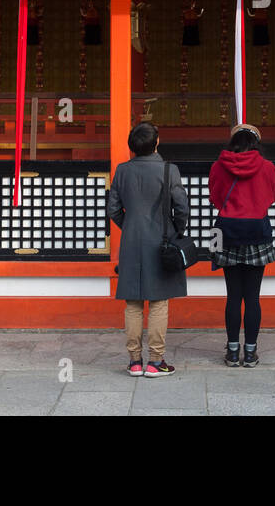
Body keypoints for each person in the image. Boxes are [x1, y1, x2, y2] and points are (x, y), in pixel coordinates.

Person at [106, 122, 188, 378]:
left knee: (132, 303)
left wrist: (129, 225)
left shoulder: (121, 171)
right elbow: (181, 208)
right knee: (159, 301)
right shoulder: (168, 170)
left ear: (133, 145)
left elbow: (113, 209)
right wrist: (175, 230)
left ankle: (134, 361)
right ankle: (155, 360)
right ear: (157, 142)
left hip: (131, 241)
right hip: (161, 240)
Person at [208, 123, 275, 367]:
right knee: (252, 297)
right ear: (256, 143)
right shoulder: (268, 166)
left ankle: (231, 352)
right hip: (256, 231)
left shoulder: (219, 166)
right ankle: (250, 353)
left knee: (232, 296)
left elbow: (214, 197)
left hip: (225, 232)